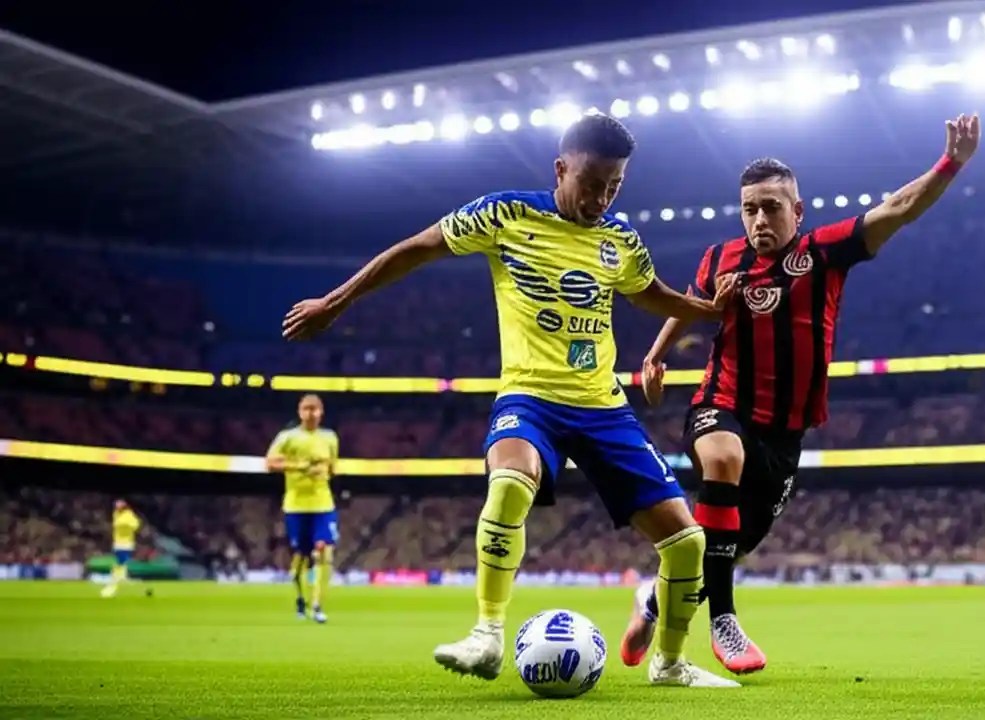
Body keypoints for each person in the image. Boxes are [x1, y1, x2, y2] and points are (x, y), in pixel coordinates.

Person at [281, 113, 741, 687]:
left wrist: (707, 310)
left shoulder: (620, 239)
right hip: (530, 396)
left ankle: (669, 664)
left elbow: (649, 293)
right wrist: (335, 302)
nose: (601, 198)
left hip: (603, 406)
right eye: (591, 182)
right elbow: (417, 248)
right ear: (561, 168)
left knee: (687, 542)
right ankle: (487, 635)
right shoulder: (506, 213)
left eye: (614, 186)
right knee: (508, 484)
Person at [621, 114, 982, 675]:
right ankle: (724, 620)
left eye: (771, 207)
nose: (759, 219)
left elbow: (899, 208)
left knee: (729, 545)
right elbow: (690, 304)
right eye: (749, 209)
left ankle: (651, 601)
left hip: (785, 431)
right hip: (722, 402)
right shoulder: (719, 259)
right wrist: (656, 354)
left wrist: (950, 163)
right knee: (723, 456)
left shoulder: (825, 252)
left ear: (798, 210)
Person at [266, 393, 339, 624]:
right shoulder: (288, 437)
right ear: (299, 412)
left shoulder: (329, 438)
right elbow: (270, 463)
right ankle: (300, 599)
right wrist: (300, 466)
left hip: (323, 504)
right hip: (296, 505)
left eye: (314, 409)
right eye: (306, 408)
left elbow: (333, 468)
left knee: (324, 552)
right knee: (301, 557)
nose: (310, 413)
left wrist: (323, 472)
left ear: (321, 412)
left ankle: (317, 606)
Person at [101, 499, 140, 598]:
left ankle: (120, 576)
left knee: (123, 559)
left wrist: (127, 524)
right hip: (118, 542)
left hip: (127, 542)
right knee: (121, 560)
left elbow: (135, 525)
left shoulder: (129, 514)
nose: (117, 508)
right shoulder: (116, 514)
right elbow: (117, 524)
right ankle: (118, 577)